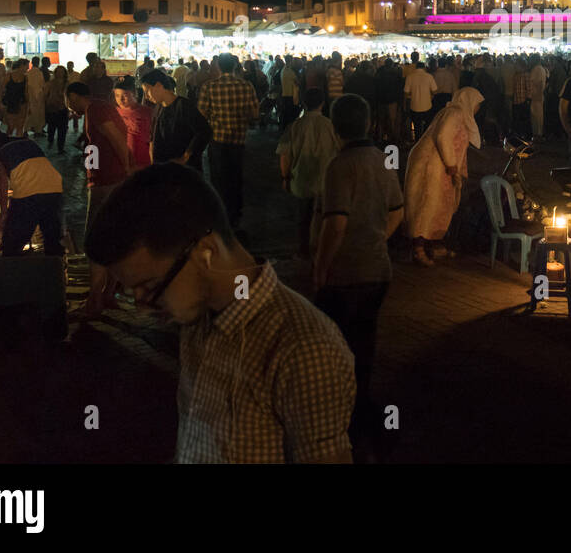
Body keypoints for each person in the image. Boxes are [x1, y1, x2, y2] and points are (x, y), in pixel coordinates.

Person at [86, 163, 356, 462]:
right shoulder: (199, 315)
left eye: (149, 287)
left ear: (207, 253)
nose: (142, 307)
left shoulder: (304, 349)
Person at [312, 93, 404, 462]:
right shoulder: (383, 161)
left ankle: (348, 418)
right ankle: (365, 416)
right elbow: (398, 211)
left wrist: (320, 270)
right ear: (366, 123)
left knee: (337, 348)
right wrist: (377, 236)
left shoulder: (340, 165)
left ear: (336, 128)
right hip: (378, 271)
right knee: (363, 346)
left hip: (346, 274)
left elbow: (335, 224)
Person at [65, 81, 135, 316]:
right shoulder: (98, 108)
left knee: (95, 240)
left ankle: (95, 300)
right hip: (106, 179)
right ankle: (107, 295)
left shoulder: (95, 109)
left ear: (73, 96)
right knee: (114, 238)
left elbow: (116, 138)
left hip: (107, 182)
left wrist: (126, 170)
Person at [404, 87, 483, 267]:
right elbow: (442, 137)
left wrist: (459, 171)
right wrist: (451, 166)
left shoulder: (459, 115)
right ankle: (418, 249)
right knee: (426, 205)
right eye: (477, 104)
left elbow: (460, 147)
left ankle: (433, 244)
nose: (478, 108)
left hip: (441, 166)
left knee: (441, 205)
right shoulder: (454, 114)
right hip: (431, 165)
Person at [196, 53, 259, 234]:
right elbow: (255, 114)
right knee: (235, 177)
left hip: (217, 140)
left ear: (219, 67)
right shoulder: (246, 86)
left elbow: (201, 115)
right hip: (238, 140)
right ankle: (235, 215)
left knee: (218, 178)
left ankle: (220, 214)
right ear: (234, 67)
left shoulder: (210, 87)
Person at [278, 88, 341, 258]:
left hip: (301, 181)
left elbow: (284, 155)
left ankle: (304, 250)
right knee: (324, 218)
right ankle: (322, 250)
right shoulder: (330, 125)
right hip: (324, 182)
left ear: (304, 103)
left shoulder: (294, 126)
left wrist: (285, 177)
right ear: (322, 103)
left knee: (303, 219)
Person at [0, 136, 65, 257]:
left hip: (28, 192)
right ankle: (57, 271)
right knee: (52, 237)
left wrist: (4, 212)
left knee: (13, 242)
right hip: (54, 187)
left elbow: (1, 178)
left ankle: (10, 272)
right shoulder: (30, 145)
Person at [141, 69, 210, 169]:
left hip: (183, 171)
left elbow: (205, 131)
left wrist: (185, 157)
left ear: (159, 85)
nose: (146, 97)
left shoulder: (183, 106)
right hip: (162, 168)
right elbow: (153, 137)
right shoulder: (158, 108)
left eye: (147, 91)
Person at [114, 76, 153, 169]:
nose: (121, 99)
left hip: (142, 164)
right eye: (117, 95)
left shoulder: (147, 113)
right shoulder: (113, 112)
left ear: (134, 93)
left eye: (125, 95)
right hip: (121, 163)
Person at [403, 60, 438, 145]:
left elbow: (406, 92)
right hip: (427, 106)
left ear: (416, 68)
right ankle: (426, 143)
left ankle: (417, 144)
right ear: (424, 67)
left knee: (417, 127)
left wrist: (411, 95)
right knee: (427, 127)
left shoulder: (410, 77)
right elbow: (435, 91)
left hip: (414, 106)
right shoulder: (429, 76)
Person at [44, 64, 70, 152]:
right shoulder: (50, 83)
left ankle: (60, 147)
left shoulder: (67, 84)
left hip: (63, 108)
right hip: (52, 108)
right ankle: (50, 140)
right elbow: (45, 95)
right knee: (51, 127)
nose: (60, 74)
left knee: (62, 129)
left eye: (61, 72)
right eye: (58, 72)